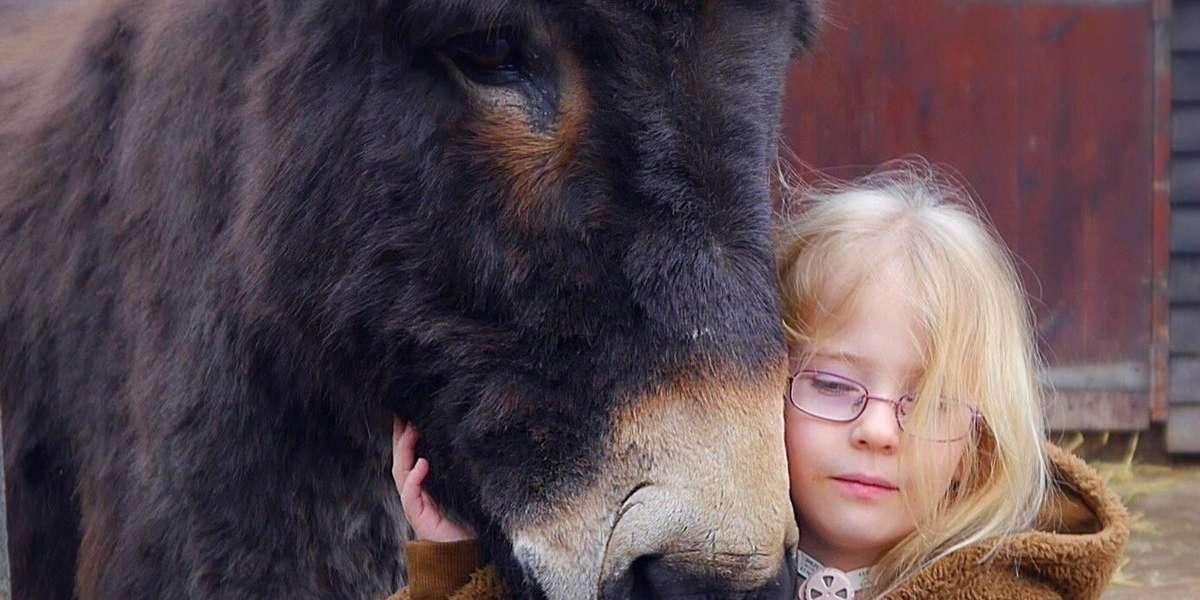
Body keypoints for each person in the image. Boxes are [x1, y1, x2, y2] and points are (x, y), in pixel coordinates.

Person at [387, 166, 1129, 600]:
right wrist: (458, 562)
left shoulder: (1008, 587)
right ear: (760, 386)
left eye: (928, 403)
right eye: (833, 385)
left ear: (978, 440)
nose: (877, 431)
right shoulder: (677, 569)